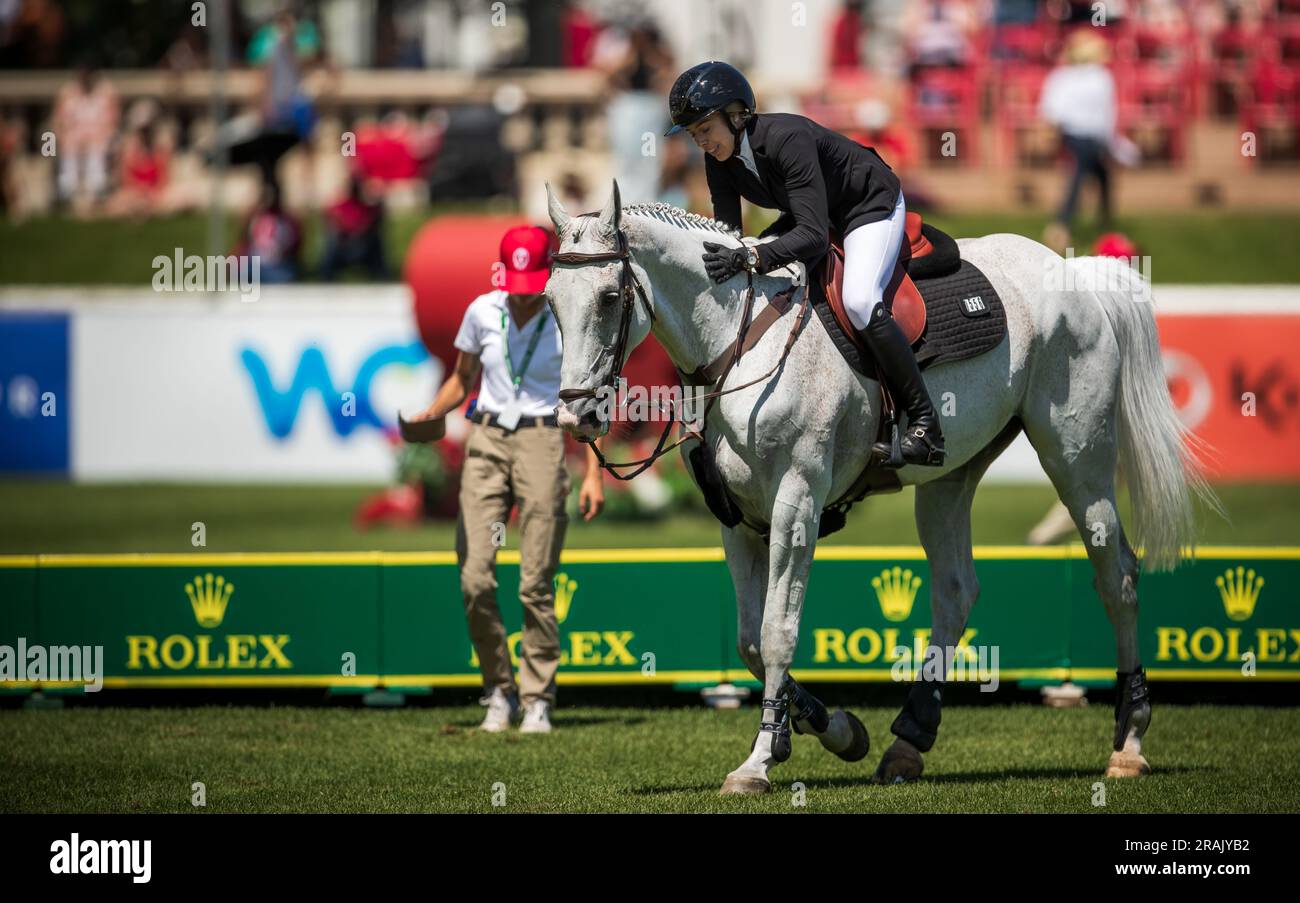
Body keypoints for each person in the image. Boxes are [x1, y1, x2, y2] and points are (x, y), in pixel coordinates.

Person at [665, 60, 944, 468]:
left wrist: (753, 255)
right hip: (817, 213)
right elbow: (728, 233)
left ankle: (925, 424)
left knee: (860, 301)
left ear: (736, 114)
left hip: (868, 207)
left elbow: (811, 236)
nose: (701, 143)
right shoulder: (718, 160)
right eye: (694, 136)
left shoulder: (787, 138)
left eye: (705, 130)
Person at [404, 225, 606, 734]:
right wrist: (431, 414)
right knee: (475, 577)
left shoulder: (567, 318)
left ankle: (537, 696)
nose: (521, 298)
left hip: (543, 441)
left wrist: (593, 474)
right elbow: (461, 379)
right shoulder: (481, 313)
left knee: (536, 583)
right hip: (487, 441)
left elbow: (589, 403)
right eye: (516, 285)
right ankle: (499, 689)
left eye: (532, 285)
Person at [1039, 30, 1119, 253]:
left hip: (1082, 137)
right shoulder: (1095, 77)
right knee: (1080, 176)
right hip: (1082, 138)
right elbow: (1106, 115)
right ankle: (1062, 224)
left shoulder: (1068, 77)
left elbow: (1051, 110)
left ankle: (1101, 223)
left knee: (1100, 175)